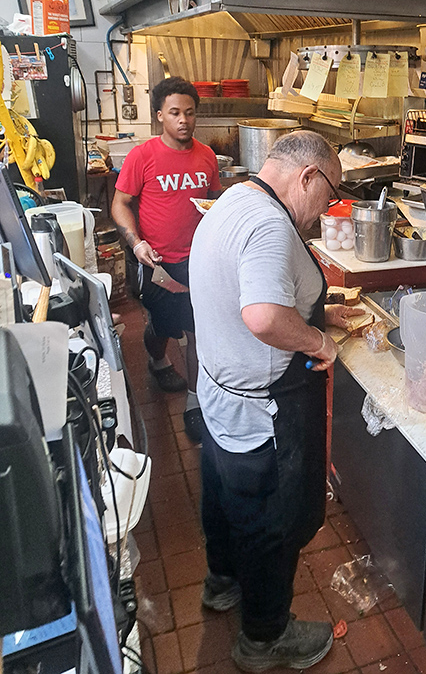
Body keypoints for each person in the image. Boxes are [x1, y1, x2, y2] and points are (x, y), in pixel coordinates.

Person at [189, 130, 364, 672]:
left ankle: (222, 583)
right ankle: (263, 639)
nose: (326, 207)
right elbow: (263, 315)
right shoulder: (270, 224)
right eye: (329, 193)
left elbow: (255, 289)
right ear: (307, 176)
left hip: (219, 393)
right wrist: (319, 341)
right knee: (269, 522)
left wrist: (319, 313)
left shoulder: (237, 199)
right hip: (261, 409)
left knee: (221, 494)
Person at [112, 76, 221, 442]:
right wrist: (135, 242)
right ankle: (158, 360)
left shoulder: (206, 156)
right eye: (175, 112)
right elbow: (120, 203)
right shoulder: (142, 157)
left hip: (199, 261)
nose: (183, 120)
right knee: (163, 326)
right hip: (156, 262)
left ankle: (194, 403)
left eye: (190, 113)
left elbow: (213, 200)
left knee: (195, 333)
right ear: (160, 115)